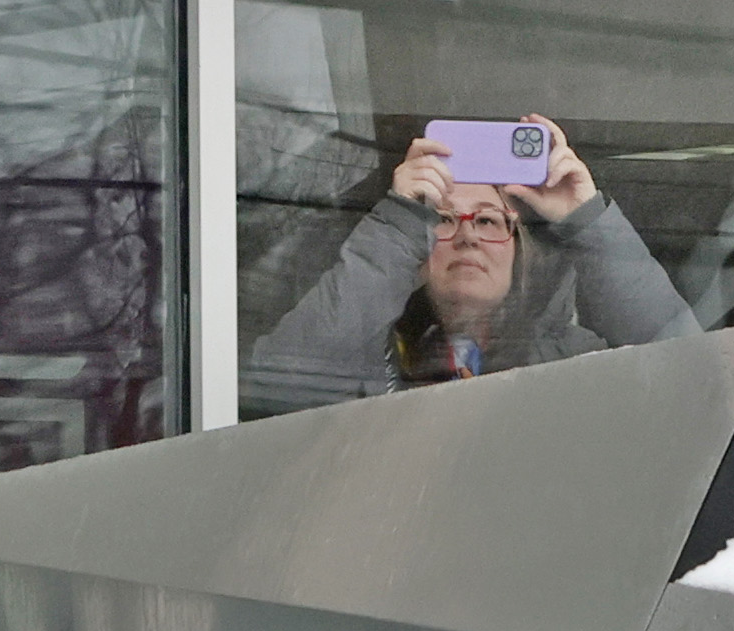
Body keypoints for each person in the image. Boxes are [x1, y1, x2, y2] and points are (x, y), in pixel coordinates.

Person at [249, 113, 697, 411]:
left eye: (487, 220)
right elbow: (276, 383)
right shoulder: (363, 360)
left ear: (519, 251)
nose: (466, 237)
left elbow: (693, 378)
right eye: (441, 219)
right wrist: (400, 221)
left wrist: (587, 222)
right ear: (414, 253)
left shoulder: (570, 358)